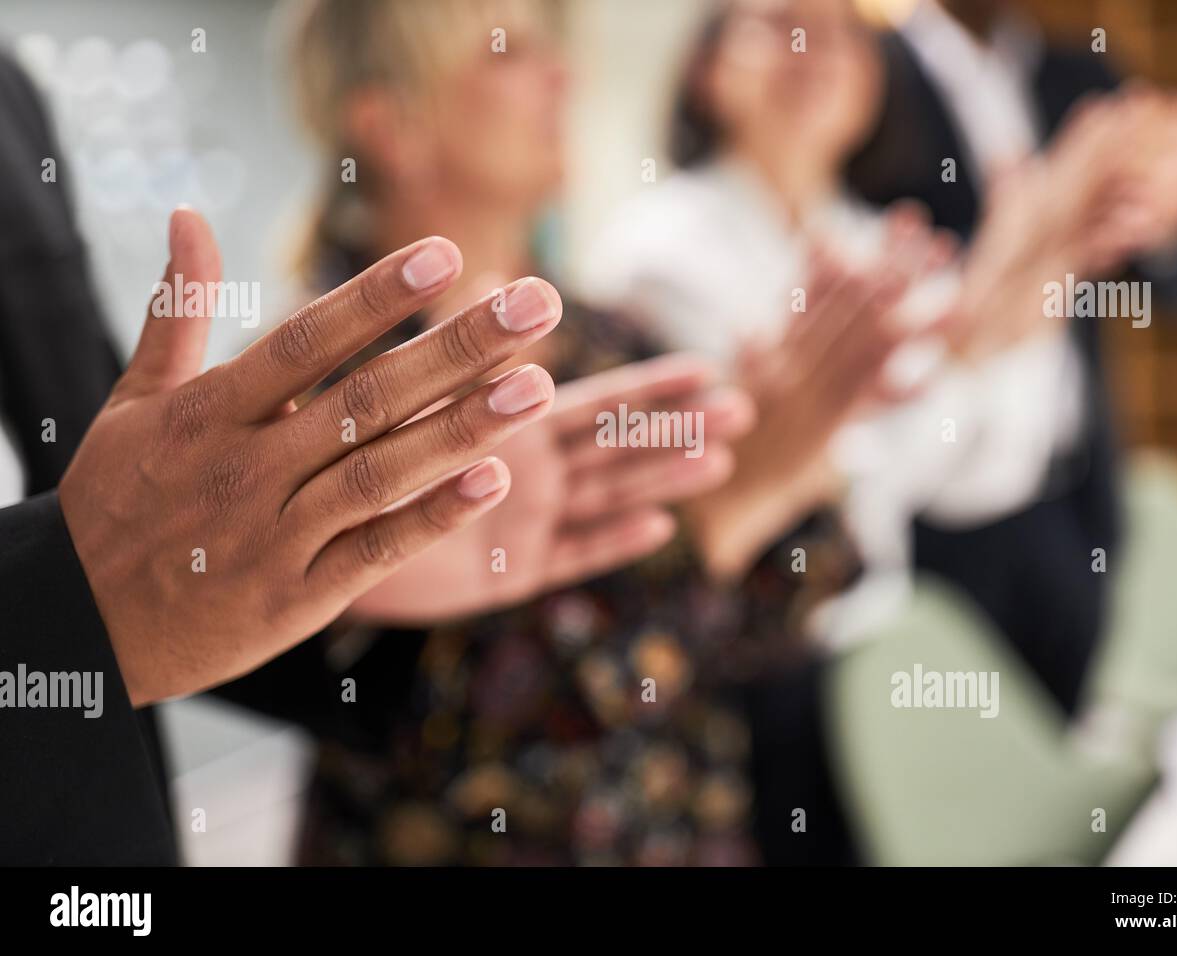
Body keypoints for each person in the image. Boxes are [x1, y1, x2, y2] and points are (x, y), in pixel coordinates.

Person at [0, 43, 745, 864]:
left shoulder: (10, 101)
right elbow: (105, 572)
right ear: (389, 123)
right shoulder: (314, 374)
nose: (564, 72)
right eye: (503, 46)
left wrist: (336, 581)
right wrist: (64, 605)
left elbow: (114, 534)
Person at [842, 0, 1177, 713]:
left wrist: (1174, 218)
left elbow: (1175, 286)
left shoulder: (1084, 76)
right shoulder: (875, 75)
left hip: (1072, 492)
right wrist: (1030, 239)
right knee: (950, 734)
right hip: (941, 502)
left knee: (1065, 715)